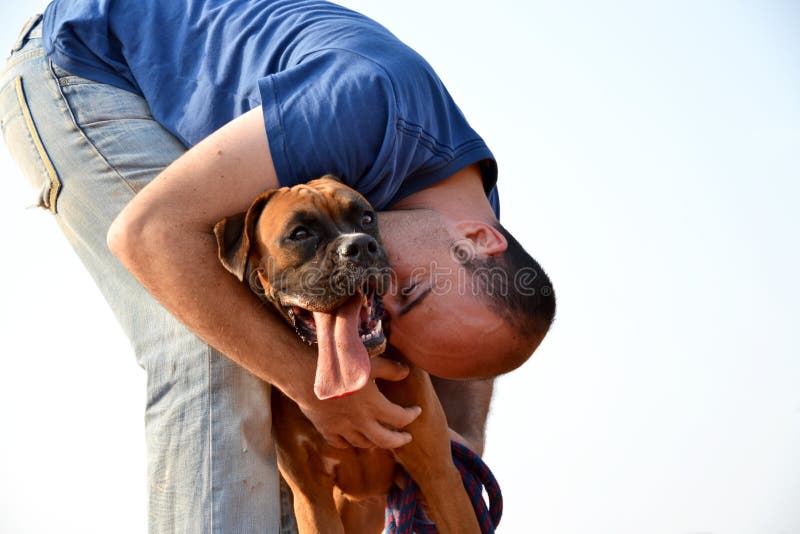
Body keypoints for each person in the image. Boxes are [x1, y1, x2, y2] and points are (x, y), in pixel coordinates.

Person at [0, 1, 555, 532]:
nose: (375, 303)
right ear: (477, 239)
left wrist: (460, 438)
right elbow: (145, 233)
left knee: (273, 377)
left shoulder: (468, 242)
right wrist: (308, 387)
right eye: (407, 291)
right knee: (214, 348)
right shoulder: (363, 105)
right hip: (85, 62)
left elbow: (471, 341)